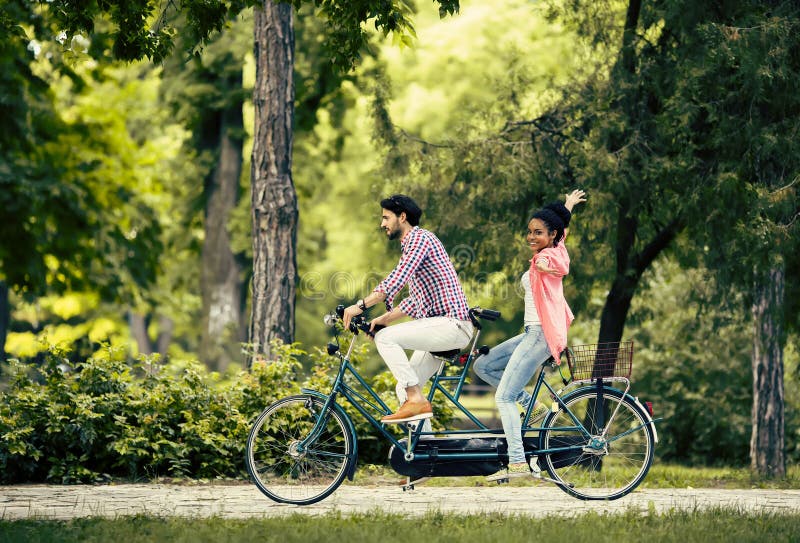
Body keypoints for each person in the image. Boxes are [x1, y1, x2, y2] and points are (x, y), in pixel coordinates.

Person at [474, 189, 586, 480]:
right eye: (530, 232)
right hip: (530, 332)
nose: (531, 237)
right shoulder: (555, 246)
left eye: (538, 233)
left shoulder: (547, 259)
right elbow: (561, 234)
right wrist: (567, 206)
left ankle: (518, 462)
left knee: (504, 398)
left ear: (552, 236)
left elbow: (561, 266)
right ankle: (533, 408)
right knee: (483, 366)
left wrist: (546, 264)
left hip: (539, 335)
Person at [342, 195, 473, 424]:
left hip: (452, 324)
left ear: (402, 217)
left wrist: (359, 305)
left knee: (385, 339)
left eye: (386, 217)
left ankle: (416, 399)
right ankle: (426, 451)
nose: (382, 224)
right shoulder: (415, 245)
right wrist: (384, 318)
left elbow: (395, 280)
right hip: (443, 326)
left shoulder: (419, 239)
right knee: (405, 388)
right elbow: (415, 300)